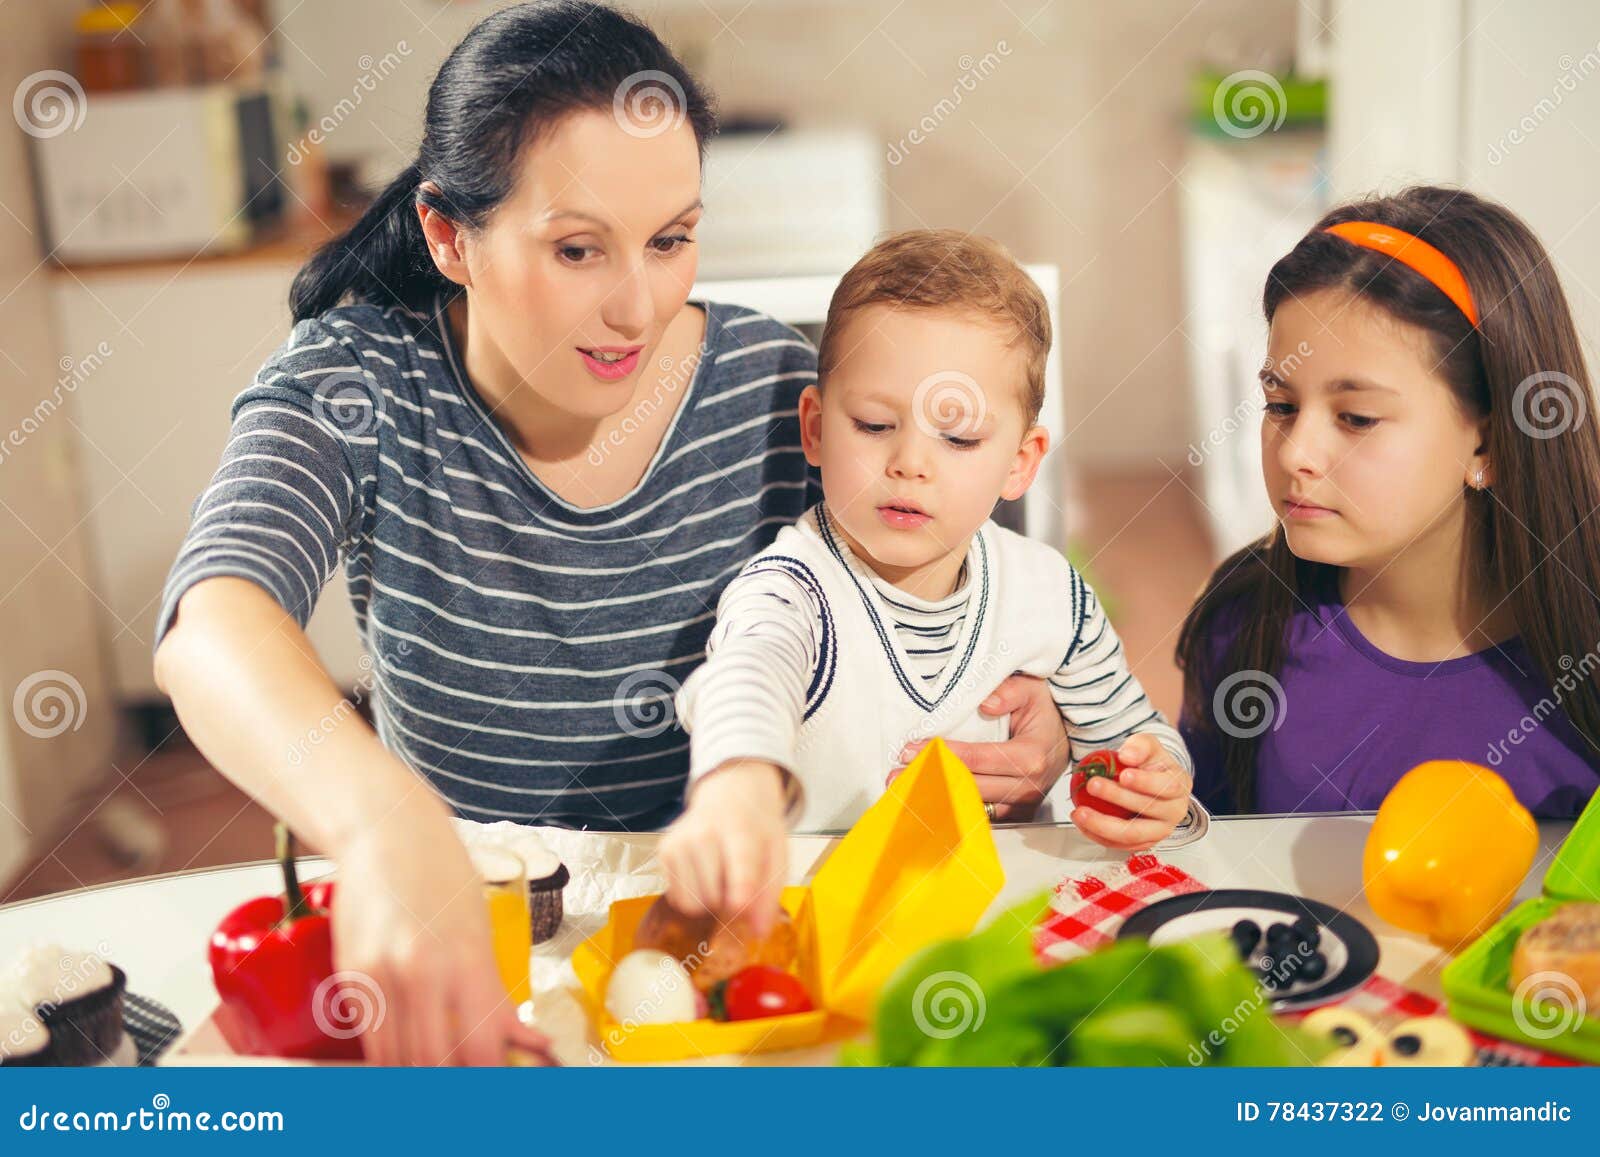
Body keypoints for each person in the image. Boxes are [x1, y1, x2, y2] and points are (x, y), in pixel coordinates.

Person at [152, 2, 1073, 1066]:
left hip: (734, 965)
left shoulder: (777, 389)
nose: (637, 307)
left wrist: (1018, 700)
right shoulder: (357, 384)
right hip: (482, 955)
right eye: (579, 248)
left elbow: (946, 584)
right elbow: (212, 620)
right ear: (450, 235)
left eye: (672, 239)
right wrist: (381, 826)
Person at [660, 230, 1196, 929]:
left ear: (1021, 460)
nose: (911, 461)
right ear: (816, 430)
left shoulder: (1050, 597)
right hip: (820, 926)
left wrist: (1160, 788)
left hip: (998, 926)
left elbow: (1137, 739)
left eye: (959, 437)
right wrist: (737, 785)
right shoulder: (793, 588)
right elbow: (749, 673)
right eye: (876, 424)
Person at [1177, 186, 1600, 819]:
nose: (1297, 454)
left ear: (1490, 443)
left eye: (1357, 417)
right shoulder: (1243, 624)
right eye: (1281, 405)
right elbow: (1197, 862)